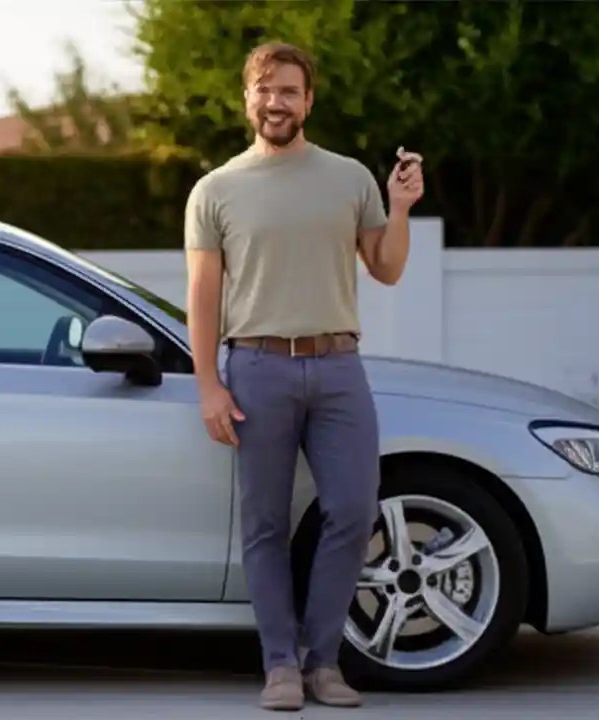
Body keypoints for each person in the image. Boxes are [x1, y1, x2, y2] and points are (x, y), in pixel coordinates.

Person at [183, 41, 424, 711]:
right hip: (256, 367)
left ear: (308, 101)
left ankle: (324, 662)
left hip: (339, 366)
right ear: (247, 99)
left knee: (353, 509)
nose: (276, 102)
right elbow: (203, 296)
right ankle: (280, 666)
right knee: (263, 523)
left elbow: (387, 267)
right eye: (265, 90)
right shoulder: (216, 190)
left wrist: (401, 206)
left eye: (289, 91)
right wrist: (208, 385)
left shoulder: (349, 178)